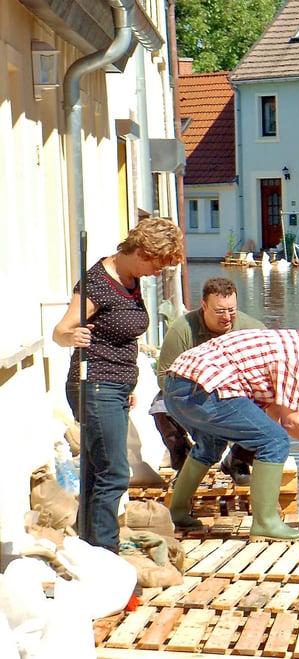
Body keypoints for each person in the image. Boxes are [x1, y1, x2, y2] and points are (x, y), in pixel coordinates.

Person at [52, 217, 185, 553]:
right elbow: (61, 331)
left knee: (100, 469)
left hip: (115, 387)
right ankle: (105, 551)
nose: (158, 273)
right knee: (113, 472)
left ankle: (89, 546)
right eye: (157, 264)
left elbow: (119, 335)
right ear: (141, 251)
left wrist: (128, 386)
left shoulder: (130, 279)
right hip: (94, 384)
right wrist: (72, 335)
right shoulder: (98, 282)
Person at [162, 320, 299, 540]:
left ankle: (177, 513)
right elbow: (291, 422)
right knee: (276, 441)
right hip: (203, 388)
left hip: (176, 386)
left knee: (210, 446)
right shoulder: (296, 356)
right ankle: (265, 522)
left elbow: (272, 416)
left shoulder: (282, 342)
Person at [151, 277, 265, 483]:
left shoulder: (254, 329)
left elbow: (266, 377)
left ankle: (238, 459)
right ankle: (184, 463)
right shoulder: (182, 329)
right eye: (220, 311)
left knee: (270, 406)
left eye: (232, 310)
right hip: (193, 394)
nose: (227, 317)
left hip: (238, 396)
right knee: (160, 406)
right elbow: (163, 378)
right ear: (204, 306)